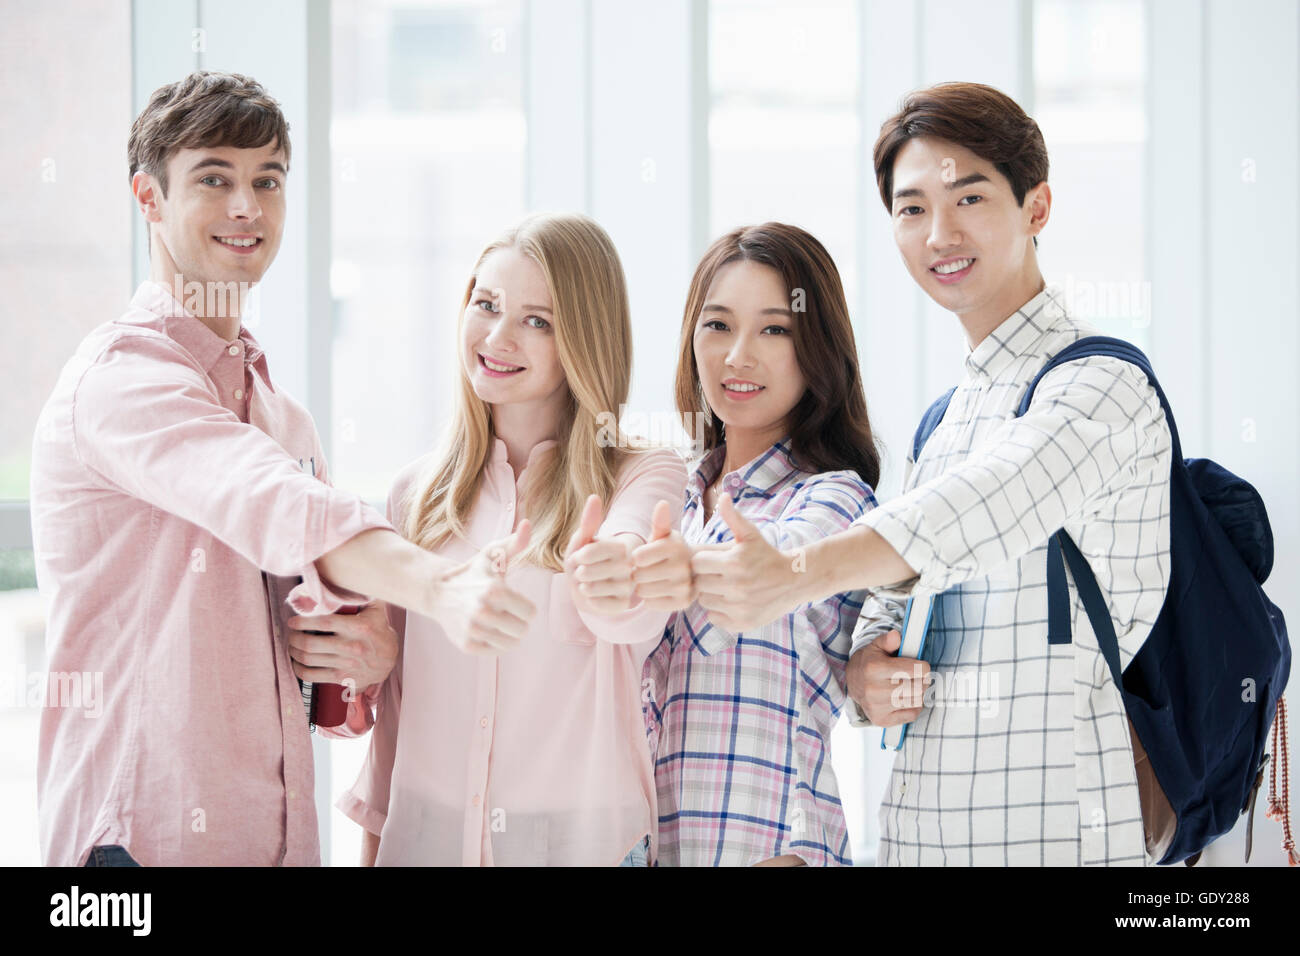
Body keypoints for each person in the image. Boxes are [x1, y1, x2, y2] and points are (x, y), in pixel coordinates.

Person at [29, 71, 535, 867]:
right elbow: (273, 504)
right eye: (214, 179)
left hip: (273, 839)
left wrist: (363, 661)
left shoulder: (281, 415)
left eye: (267, 180)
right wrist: (441, 586)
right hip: (134, 850)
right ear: (148, 198)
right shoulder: (121, 382)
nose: (246, 206)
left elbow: (318, 655)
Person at [689, 83, 1174, 866]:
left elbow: (983, 509)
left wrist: (793, 572)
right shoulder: (941, 423)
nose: (939, 233)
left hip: (1060, 837)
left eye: (969, 196)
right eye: (911, 209)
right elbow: (884, 617)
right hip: (922, 840)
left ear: (1036, 207)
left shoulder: (1102, 384)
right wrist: (867, 675)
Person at [332, 212, 687, 866]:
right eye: (486, 304)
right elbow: (397, 710)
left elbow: (634, 588)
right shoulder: (416, 493)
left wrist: (615, 571)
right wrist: (374, 847)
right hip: (425, 840)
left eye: (537, 320)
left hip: (582, 845)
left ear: (584, 338)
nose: (497, 336)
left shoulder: (643, 474)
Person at [640, 222, 893, 866]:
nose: (737, 356)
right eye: (718, 325)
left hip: (771, 850)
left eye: (775, 330)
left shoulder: (834, 500)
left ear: (817, 350)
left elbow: (770, 563)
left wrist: (658, 566)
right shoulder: (668, 495)